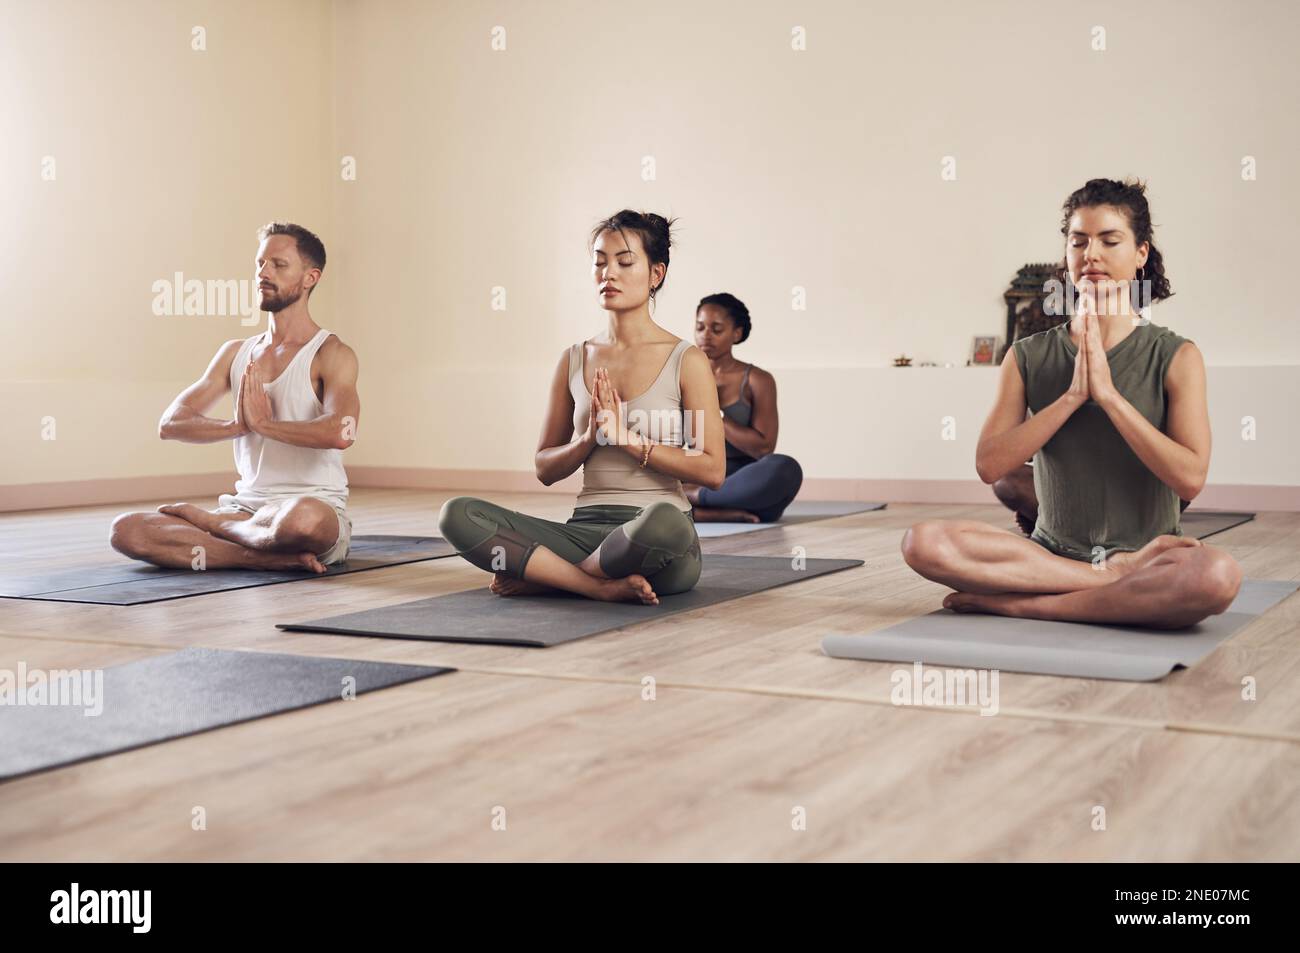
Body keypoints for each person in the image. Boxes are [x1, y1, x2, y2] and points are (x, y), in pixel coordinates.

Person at [900, 178, 1242, 628]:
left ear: (1141, 254)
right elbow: (989, 465)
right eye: (1078, 241)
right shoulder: (1027, 355)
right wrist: (1073, 397)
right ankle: (1102, 584)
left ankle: (1029, 605)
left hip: (1149, 556)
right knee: (923, 542)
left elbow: (1190, 479)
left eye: (1109, 240)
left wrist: (1110, 397)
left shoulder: (1176, 356)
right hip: (1048, 555)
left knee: (1216, 577)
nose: (1091, 254)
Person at [437, 210, 726, 605]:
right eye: (599, 262)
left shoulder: (685, 360)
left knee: (667, 523)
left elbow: (711, 470)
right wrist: (589, 438)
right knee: (457, 514)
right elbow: (545, 468)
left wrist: (628, 440)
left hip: (656, 539)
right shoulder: (573, 359)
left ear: (656, 274)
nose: (609, 273)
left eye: (624, 262)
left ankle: (551, 577)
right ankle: (595, 584)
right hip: (583, 530)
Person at [110, 223, 359, 573]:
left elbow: (341, 432)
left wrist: (265, 425)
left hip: (311, 509)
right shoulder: (235, 352)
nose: (263, 273)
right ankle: (257, 556)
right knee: (127, 531)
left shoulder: (331, 353)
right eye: (260, 263)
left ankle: (219, 530)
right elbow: (171, 423)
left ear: (310, 278)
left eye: (278, 264)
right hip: (246, 510)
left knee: (302, 521)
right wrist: (237, 426)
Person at [684, 293, 803, 523]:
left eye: (716, 329)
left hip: (742, 480)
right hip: (698, 473)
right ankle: (720, 512)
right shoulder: (683, 376)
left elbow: (763, 449)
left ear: (736, 334)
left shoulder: (758, 380)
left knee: (786, 468)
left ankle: (698, 502)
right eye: (700, 327)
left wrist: (715, 412)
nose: (705, 336)